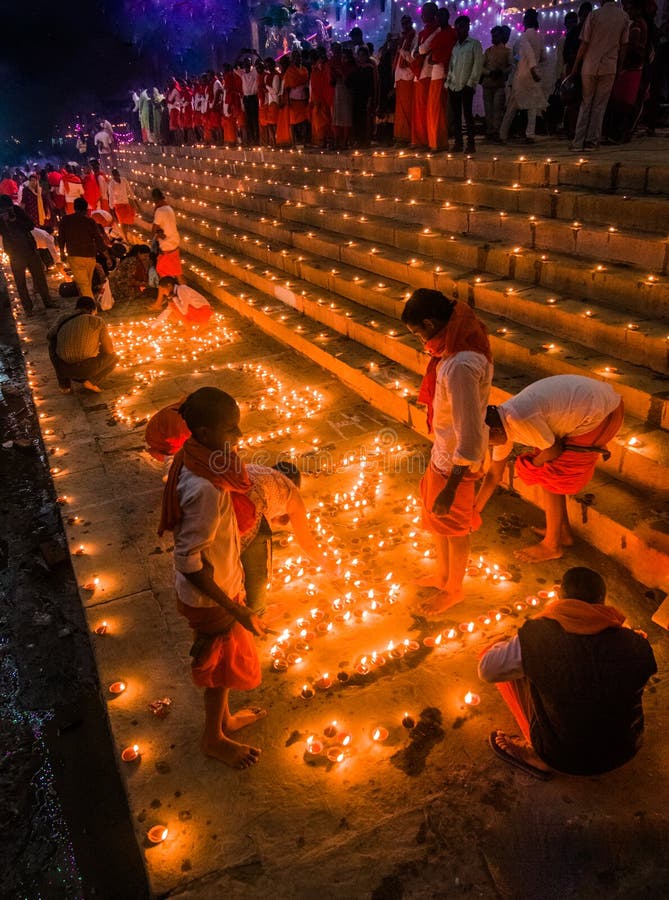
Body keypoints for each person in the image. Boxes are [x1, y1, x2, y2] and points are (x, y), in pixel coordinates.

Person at [158, 388, 266, 768]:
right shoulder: (204, 486)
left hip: (221, 584)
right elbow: (189, 561)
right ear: (204, 432)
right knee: (217, 670)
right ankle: (213, 739)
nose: (238, 435)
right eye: (230, 429)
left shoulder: (197, 457)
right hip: (209, 596)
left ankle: (226, 720)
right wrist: (236, 610)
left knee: (221, 662)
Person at [480, 566, 657, 779]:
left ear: (558, 596)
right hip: (625, 748)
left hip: (563, 757)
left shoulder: (539, 638)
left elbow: (487, 670)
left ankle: (537, 755)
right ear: (602, 601)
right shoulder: (635, 643)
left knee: (500, 656)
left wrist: (531, 637)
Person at [402, 290, 493, 614]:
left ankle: (454, 589)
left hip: (457, 463)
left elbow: (469, 437)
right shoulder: (459, 343)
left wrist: (451, 489)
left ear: (430, 323)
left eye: (418, 333)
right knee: (436, 520)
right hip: (443, 453)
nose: (421, 341)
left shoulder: (459, 366)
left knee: (454, 528)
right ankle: (442, 575)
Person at [476, 374, 624, 562]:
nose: (489, 446)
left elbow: (554, 450)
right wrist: (475, 510)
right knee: (545, 468)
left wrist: (534, 466)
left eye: (488, 443)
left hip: (603, 413)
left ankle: (552, 546)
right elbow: (494, 474)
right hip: (594, 403)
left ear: (494, 430)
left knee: (549, 473)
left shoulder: (518, 419)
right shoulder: (499, 421)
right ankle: (562, 531)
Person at [570, 0, 630, 150]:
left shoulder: (594, 15)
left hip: (590, 64)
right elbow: (624, 46)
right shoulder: (623, 17)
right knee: (599, 105)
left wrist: (575, 66)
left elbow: (584, 43)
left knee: (586, 103)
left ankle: (578, 141)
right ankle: (592, 140)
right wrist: (619, 67)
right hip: (609, 66)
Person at [47, 296, 117, 393]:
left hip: (63, 368)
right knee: (113, 357)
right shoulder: (98, 321)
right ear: (93, 310)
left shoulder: (63, 318)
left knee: (52, 343)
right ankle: (91, 382)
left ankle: (64, 386)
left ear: (76, 308)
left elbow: (49, 336)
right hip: (86, 370)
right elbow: (109, 350)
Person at [0, 195, 55, 315]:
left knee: (40, 277)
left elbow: (30, 225)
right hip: (14, 253)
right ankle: (28, 308)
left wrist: (15, 220)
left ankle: (48, 301)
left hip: (30, 249)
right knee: (20, 282)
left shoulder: (17, 211)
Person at [499, 9, 547, 144]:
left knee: (512, 106)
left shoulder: (521, 38)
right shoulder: (539, 38)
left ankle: (502, 134)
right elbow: (544, 57)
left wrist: (521, 62)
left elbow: (515, 58)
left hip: (521, 75)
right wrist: (535, 63)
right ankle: (530, 134)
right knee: (532, 106)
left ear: (525, 21)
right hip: (534, 76)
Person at [446, 16, 484, 153]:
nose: (459, 31)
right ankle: (458, 143)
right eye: (457, 28)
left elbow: (477, 65)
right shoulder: (455, 47)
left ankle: (471, 143)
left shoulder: (474, 44)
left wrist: (471, 83)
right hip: (454, 85)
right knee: (456, 116)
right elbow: (451, 66)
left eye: (462, 27)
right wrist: (448, 83)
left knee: (468, 115)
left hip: (467, 85)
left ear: (467, 27)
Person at [59, 196, 109, 298]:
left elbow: (61, 238)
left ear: (74, 208)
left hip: (75, 257)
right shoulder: (90, 221)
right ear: (86, 209)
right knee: (85, 285)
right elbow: (98, 240)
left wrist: (62, 252)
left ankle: (90, 306)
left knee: (84, 285)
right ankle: (87, 303)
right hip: (90, 257)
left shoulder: (66, 220)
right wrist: (107, 256)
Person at [426, 7, 456, 151]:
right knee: (432, 109)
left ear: (447, 17)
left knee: (439, 109)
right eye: (437, 16)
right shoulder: (437, 34)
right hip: (435, 74)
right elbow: (431, 51)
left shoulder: (452, 33)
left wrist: (437, 59)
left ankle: (439, 143)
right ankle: (434, 142)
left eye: (442, 16)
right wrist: (432, 59)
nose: (439, 19)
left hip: (444, 74)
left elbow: (451, 53)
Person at [411, 1, 439, 148]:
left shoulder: (438, 30)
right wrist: (416, 52)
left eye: (425, 12)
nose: (422, 15)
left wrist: (418, 52)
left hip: (429, 71)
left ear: (433, 14)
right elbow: (414, 51)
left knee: (427, 109)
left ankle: (427, 139)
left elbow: (423, 49)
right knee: (418, 109)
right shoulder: (422, 32)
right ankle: (419, 139)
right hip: (419, 72)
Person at [482, 26, 513, 140]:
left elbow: (512, 66)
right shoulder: (488, 51)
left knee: (496, 109)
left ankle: (495, 131)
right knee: (489, 109)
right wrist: (490, 72)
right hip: (488, 84)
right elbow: (481, 67)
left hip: (498, 84)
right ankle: (491, 131)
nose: (493, 37)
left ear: (501, 36)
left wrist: (501, 72)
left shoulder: (507, 51)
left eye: (495, 35)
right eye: (493, 35)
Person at [393, 15, 416, 143]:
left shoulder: (414, 36)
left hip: (407, 75)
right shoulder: (403, 38)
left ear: (411, 23)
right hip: (399, 76)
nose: (405, 25)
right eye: (403, 23)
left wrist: (401, 50)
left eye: (407, 23)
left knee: (407, 109)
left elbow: (412, 58)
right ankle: (400, 137)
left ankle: (407, 137)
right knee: (400, 110)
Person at [151, 188, 182, 281]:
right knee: (175, 272)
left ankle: (170, 286)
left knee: (162, 270)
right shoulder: (168, 208)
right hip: (174, 241)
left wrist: (157, 233)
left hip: (167, 244)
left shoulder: (159, 211)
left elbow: (153, 230)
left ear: (155, 199)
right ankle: (175, 286)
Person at [284, 50, 310, 146]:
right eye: (295, 57)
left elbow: (306, 84)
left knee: (304, 121)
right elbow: (287, 87)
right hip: (293, 99)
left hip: (303, 99)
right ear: (292, 59)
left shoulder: (304, 69)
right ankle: (294, 141)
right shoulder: (290, 71)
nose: (298, 59)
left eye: (299, 57)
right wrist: (288, 101)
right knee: (294, 122)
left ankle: (303, 141)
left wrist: (307, 98)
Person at [309, 47, 333, 148]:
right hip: (317, 98)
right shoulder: (315, 68)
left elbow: (323, 83)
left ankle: (325, 140)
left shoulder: (324, 66)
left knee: (325, 120)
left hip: (323, 98)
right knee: (319, 121)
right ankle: (321, 140)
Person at [108, 168, 137, 242]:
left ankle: (126, 235)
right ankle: (126, 238)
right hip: (118, 206)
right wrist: (111, 208)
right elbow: (111, 196)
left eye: (117, 175)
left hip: (126, 203)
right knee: (122, 223)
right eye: (114, 176)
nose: (116, 177)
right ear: (113, 176)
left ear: (118, 174)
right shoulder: (111, 184)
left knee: (127, 222)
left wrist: (134, 200)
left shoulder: (124, 180)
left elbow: (129, 190)